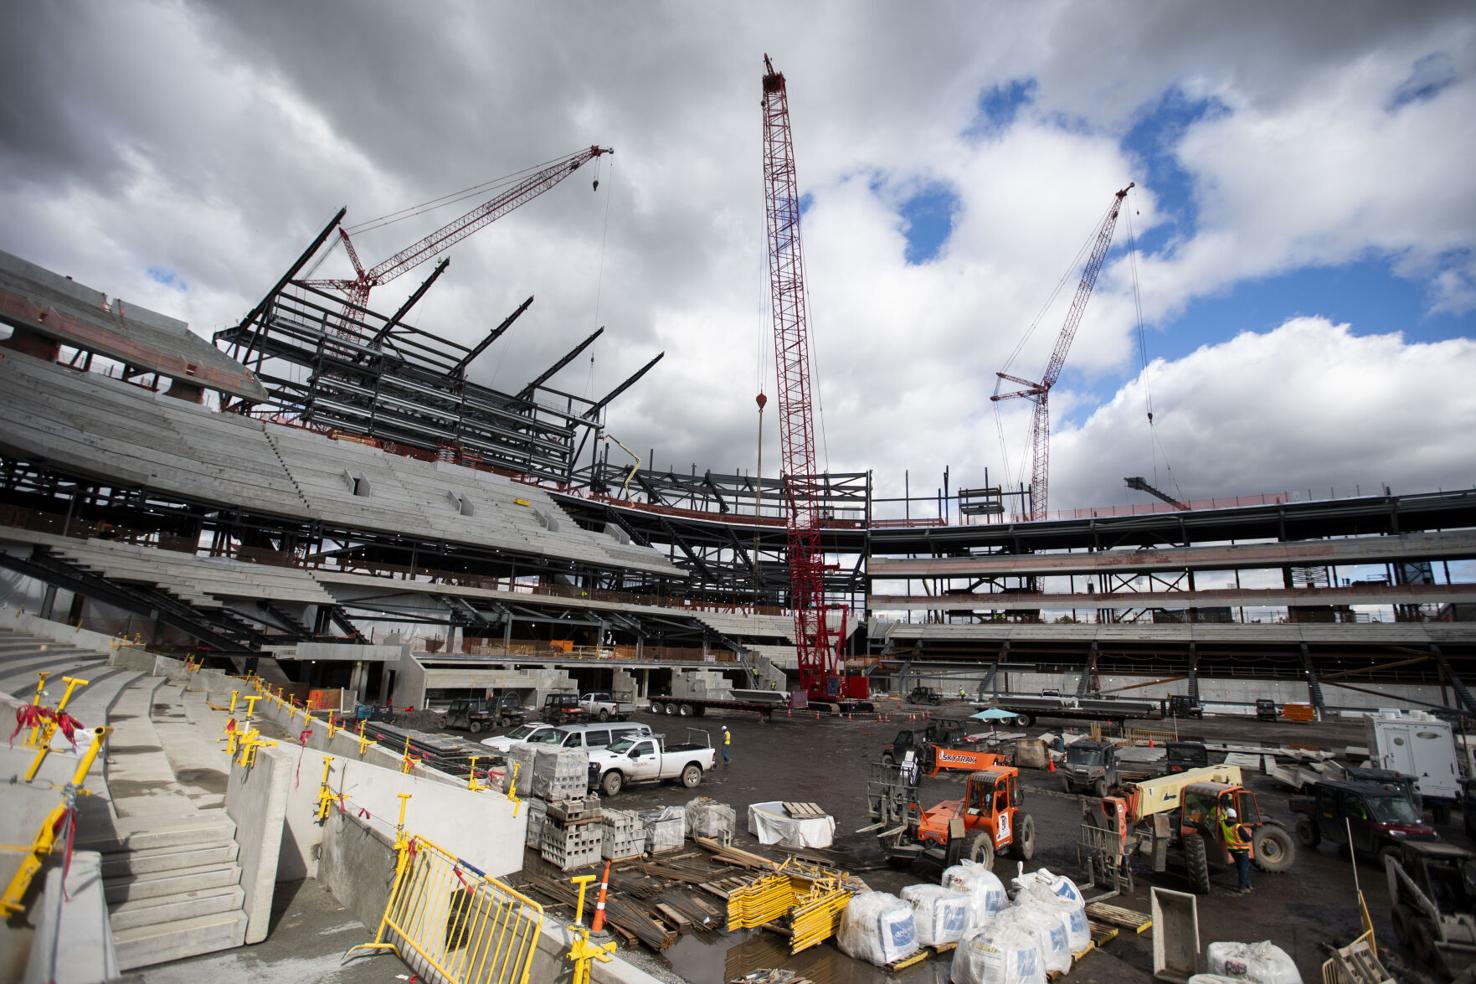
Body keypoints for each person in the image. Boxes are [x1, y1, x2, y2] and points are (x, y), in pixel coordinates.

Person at [1220, 805, 1252, 894]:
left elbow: (1221, 819)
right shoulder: (1237, 827)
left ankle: (1247, 884)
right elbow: (1247, 839)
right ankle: (1242, 887)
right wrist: (1251, 834)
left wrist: (1222, 809)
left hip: (1232, 850)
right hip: (1242, 851)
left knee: (1241, 868)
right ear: (1235, 816)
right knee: (1244, 869)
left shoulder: (1223, 824)